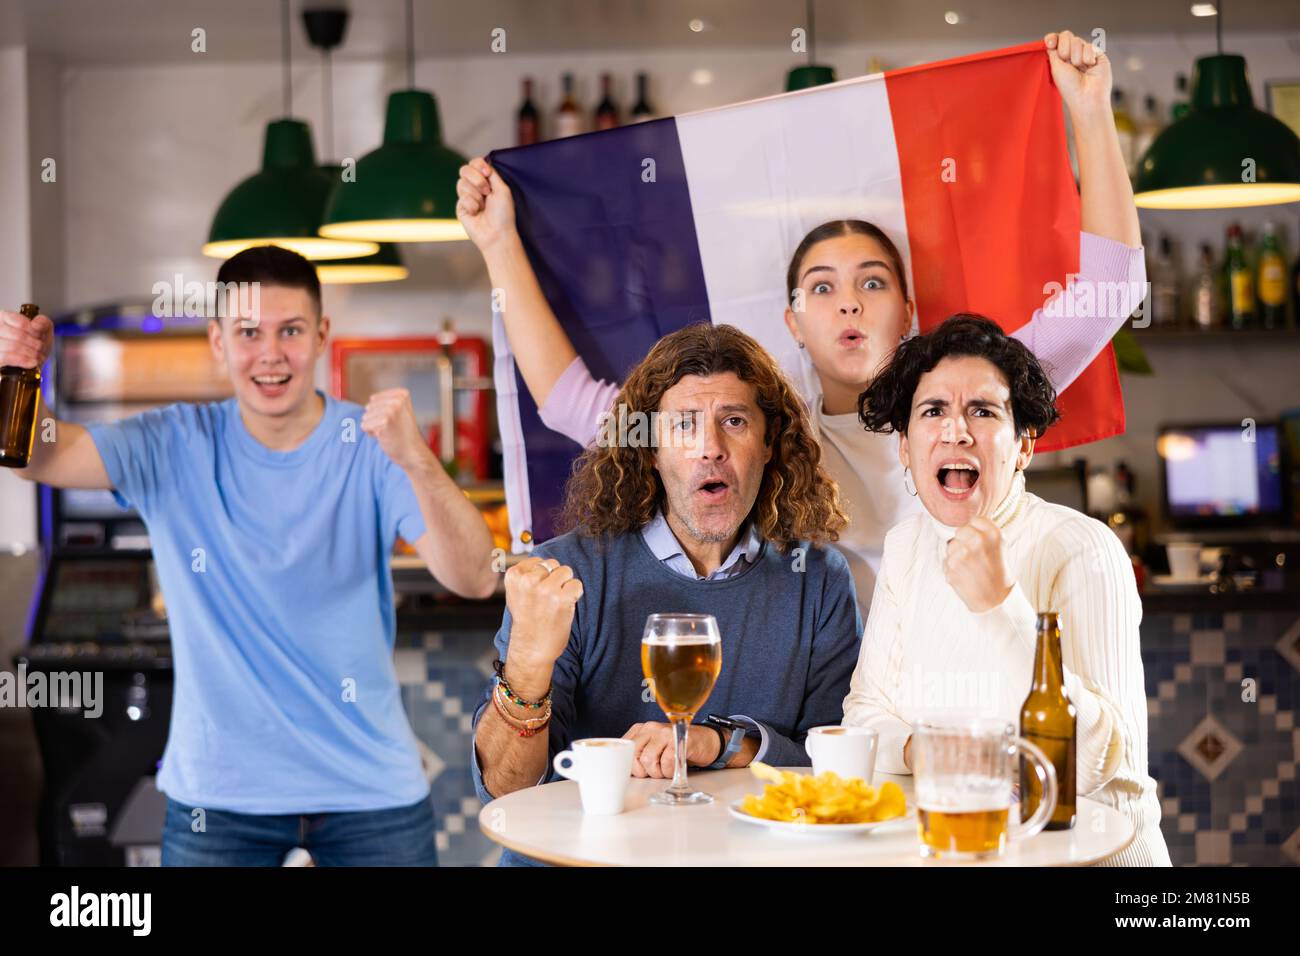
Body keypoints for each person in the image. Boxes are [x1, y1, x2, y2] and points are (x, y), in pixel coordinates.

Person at [454, 30, 1144, 616]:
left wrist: (1087, 111)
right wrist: (497, 244)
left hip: (965, 684)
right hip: (826, 713)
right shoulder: (757, 428)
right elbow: (570, 401)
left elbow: (1110, 292)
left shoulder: (972, 397)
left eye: (872, 282)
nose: (848, 302)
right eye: (823, 287)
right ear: (793, 322)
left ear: (907, 311)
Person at [0, 245, 498, 866]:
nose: (270, 354)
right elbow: (37, 456)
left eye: (290, 330)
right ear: (217, 339)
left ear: (320, 335)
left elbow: (476, 578)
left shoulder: (371, 445)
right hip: (218, 798)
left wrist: (417, 457)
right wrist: (19, 375)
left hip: (369, 791)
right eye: (248, 332)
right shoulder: (172, 442)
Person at [471, 323, 862, 865]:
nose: (711, 449)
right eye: (684, 425)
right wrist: (527, 667)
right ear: (650, 449)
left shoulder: (818, 579)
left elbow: (838, 764)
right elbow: (505, 792)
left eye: (734, 421)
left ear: (769, 444)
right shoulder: (563, 575)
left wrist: (723, 743)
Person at [842, 314, 1170, 866]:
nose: (956, 431)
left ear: (1024, 445)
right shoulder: (907, 546)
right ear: (904, 446)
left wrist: (1001, 605)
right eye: (933, 411)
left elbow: (1092, 763)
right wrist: (936, 751)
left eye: (983, 411)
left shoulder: (1081, 548)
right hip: (961, 850)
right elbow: (864, 716)